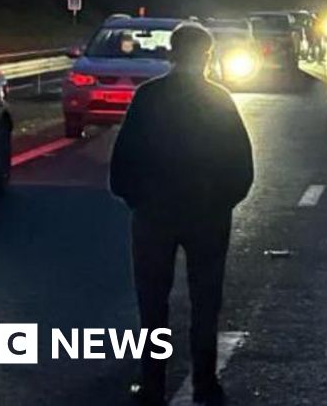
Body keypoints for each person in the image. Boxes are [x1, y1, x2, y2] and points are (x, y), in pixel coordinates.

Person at [110, 24, 254, 406]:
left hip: (154, 215)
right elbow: (241, 165)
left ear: (171, 53)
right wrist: (221, 203)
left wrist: (138, 201)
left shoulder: (148, 97)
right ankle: (205, 381)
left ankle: (152, 383)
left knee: (151, 302)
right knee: (206, 300)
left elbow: (123, 160)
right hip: (207, 216)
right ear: (207, 56)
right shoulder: (218, 99)